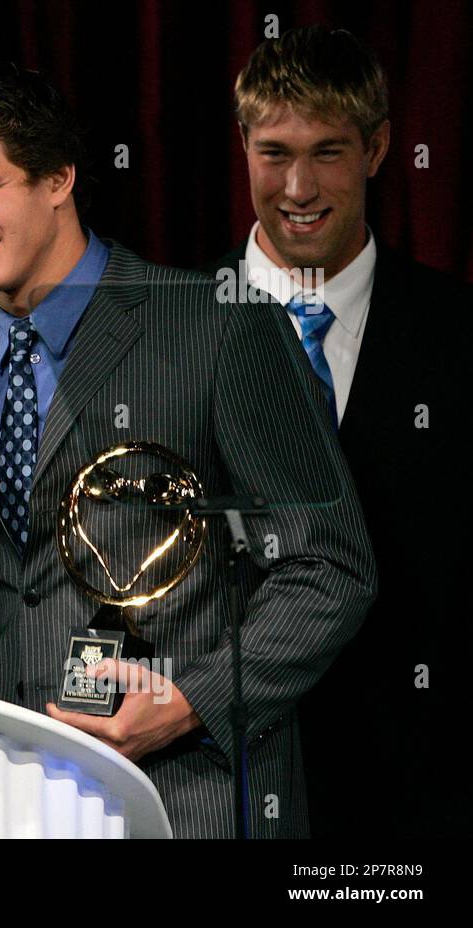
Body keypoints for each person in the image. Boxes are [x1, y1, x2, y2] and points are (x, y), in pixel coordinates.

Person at [0, 59, 375, 837]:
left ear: (58, 178)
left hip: (193, 800)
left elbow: (329, 566)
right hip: (5, 807)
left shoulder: (220, 327)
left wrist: (192, 702)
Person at [202, 26, 473, 837]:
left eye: (327, 151)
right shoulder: (163, 326)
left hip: (421, 796)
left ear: (379, 148)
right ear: (244, 145)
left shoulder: (460, 336)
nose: (297, 186)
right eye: (274, 152)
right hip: (220, 785)